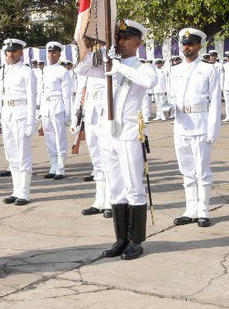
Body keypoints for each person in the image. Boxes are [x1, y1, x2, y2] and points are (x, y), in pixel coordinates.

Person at [78, 20, 158, 260]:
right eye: (118, 39)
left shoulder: (143, 67)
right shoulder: (108, 65)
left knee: (134, 187)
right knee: (116, 188)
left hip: (129, 135)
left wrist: (119, 67)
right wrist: (95, 51)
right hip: (107, 134)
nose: (121, 43)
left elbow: (149, 82)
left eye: (126, 39)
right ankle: (121, 238)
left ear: (138, 43)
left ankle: (136, 241)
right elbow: (81, 70)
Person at [169, 28, 222, 227]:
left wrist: (213, 130)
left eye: (191, 44)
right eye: (184, 44)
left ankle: (203, 211)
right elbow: (172, 97)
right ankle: (190, 209)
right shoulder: (174, 70)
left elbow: (215, 102)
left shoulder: (209, 69)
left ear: (200, 46)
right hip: (181, 123)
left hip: (201, 124)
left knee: (202, 170)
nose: (187, 47)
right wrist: (169, 110)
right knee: (186, 170)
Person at [0, 38, 37, 205]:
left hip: (21, 114)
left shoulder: (27, 72)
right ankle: (16, 190)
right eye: (8, 52)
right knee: (11, 155)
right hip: (7, 115)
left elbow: (32, 98)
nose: (10, 54)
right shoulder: (3, 72)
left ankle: (24, 192)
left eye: (14, 51)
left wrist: (31, 122)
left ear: (21, 53)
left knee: (22, 155)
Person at [73, 41, 111, 217]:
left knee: (108, 158)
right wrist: (90, 54)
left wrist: (102, 52)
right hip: (91, 114)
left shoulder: (110, 55)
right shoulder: (88, 59)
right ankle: (99, 199)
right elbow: (79, 71)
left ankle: (111, 200)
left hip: (106, 113)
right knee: (96, 158)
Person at [41, 41, 74, 180]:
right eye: (49, 52)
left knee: (60, 137)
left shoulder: (63, 71)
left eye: (54, 52)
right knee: (49, 136)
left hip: (57, 105)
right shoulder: (45, 70)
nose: (51, 54)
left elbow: (67, 94)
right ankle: (53, 165)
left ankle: (61, 167)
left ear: (59, 54)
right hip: (46, 106)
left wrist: (67, 113)